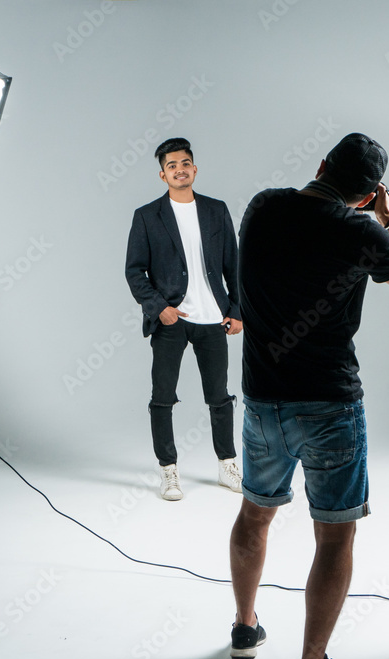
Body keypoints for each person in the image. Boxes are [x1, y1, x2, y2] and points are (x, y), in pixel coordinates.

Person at [228, 133, 389, 659]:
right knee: (335, 536)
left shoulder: (263, 206)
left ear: (321, 165)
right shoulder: (361, 229)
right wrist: (388, 220)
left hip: (263, 401)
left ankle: (244, 627)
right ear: (369, 194)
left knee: (254, 515)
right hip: (330, 405)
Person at [125, 137, 244, 501]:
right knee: (162, 397)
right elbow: (134, 271)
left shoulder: (216, 210)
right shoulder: (147, 216)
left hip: (213, 318)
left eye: (185, 163)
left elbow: (234, 266)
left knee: (219, 397)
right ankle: (168, 470)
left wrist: (237, 310)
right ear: (163, 175)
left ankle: (227, 465)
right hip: (171, 320)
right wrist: (158, 306)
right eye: (172, 165)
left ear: (195, 168)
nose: (180, 169)